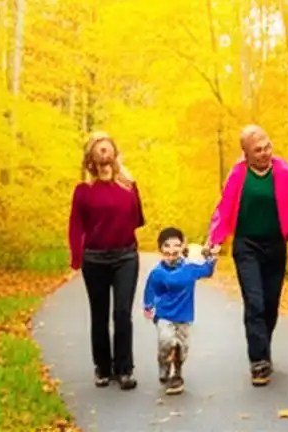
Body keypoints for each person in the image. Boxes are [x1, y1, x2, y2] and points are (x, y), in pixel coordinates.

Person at [207, 125, 288, 386]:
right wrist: (215, 239)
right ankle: (259, 360)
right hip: (247, 246)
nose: (265, 153)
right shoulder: (238, 174)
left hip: (276, 243)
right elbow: (224, 207)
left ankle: (263, 346)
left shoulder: (284, 170)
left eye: (268, 147)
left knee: (270, 303)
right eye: (258, 150)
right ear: (245, 153)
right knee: (254, 302)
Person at [68, 131, 144, 390]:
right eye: (99, 149)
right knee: (99, 315)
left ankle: (124, 369)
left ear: (115, 155)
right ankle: (103, 367)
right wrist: (76, 258)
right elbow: (75, 227)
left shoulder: (128, 186)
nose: (104, 153)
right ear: (91, 159)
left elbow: (137, 220)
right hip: (95, 259)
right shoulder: (83, 191)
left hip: (126, 256)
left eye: (108, 148)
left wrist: (129, 184)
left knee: (122, 313)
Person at [142, 227, 217, 395]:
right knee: (166, 341)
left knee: (182, 348)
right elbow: (150, 290)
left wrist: (211, 255)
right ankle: (164, 366)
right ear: (160, 248)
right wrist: (148, 306)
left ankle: (177, 372)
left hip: (184, 316)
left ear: (183, 246)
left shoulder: (190, 268)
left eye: (176, 245)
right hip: (164, 315)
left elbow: (207, 270)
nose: (171, 250)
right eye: (166, 246)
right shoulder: (158, 273)